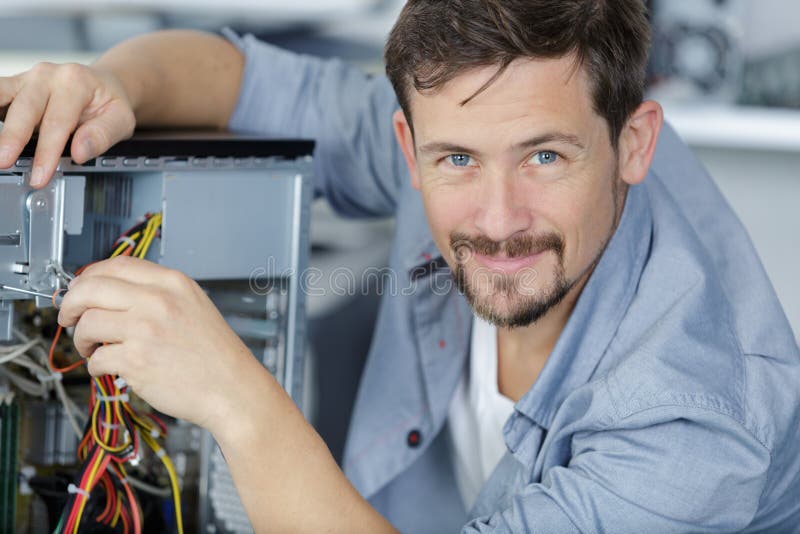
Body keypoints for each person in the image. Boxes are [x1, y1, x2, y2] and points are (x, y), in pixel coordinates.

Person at [2, 0, 799, 531]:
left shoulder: (694, 421)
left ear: (635, 144)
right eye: (456, 159)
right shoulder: (470, 113)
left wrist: (232, 397)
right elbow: (240, 75)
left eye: (546, 158)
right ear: (409, 151)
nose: (498, 219)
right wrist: (111, 80)